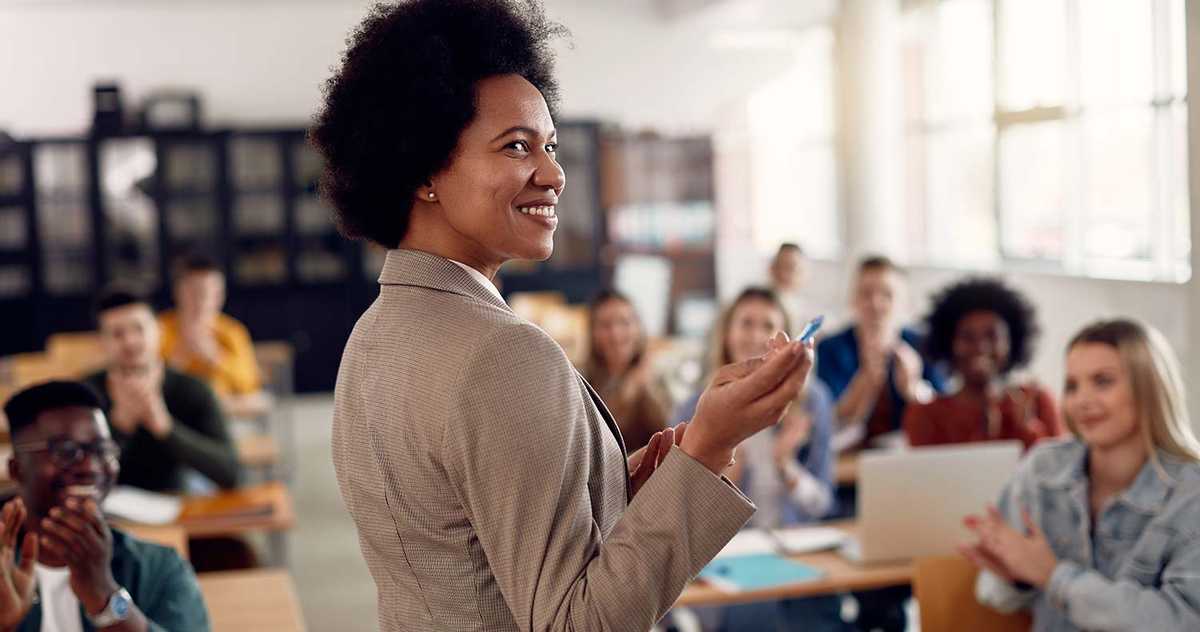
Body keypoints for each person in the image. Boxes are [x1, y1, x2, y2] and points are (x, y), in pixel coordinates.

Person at [311, 2, 815, 630]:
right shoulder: (501, 353)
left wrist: (630, 479)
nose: (553, 174)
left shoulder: (374, 333)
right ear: (422, 171)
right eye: (516, 147)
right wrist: (711, 448)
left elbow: (466, 539)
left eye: (550, 146)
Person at [963, 319, 1200, 631]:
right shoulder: (1042, 468)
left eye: (1102, 381)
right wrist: (1015, 579)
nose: (1082, 401)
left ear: (1149, 387)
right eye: (1072, 386)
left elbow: (1182, 622)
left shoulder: (1190, 495)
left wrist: (1053, 576)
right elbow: (992, 593)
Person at [673, 287, 844, 632]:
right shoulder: (694, 408)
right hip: (727, 561)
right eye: (745, 323)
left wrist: (787, 466)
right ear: (727, 333)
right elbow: (680, 516)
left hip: (797, 556)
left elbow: (823, 505)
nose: (754, 335)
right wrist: (726, 467)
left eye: (767, 325)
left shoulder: (814, 403)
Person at [0, 380, 209, 631]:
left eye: (102, 450)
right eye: (66, 451)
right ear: (17, 469)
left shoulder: (159, 567)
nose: (90, 467)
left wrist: (104, 596)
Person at [84, 287, 240, 492]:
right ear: (101, 342)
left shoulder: (194, 388)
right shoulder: (85, 395)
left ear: (159, 330)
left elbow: (230, 472)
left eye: (139, 329)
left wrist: (164, 426)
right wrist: (120, 423)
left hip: (179, 507)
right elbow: (78, 475)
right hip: (107, 510)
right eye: (117, 333)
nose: (130, 341)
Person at [903, 278, 1064, 451]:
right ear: (949, 343)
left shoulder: (1036, 401)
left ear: (1012, 343)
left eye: (992, 336)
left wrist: (1028, 427)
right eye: (967, 337)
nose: (980, 347)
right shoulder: (925, 415)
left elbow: (1058, 470)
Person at [817, 256, 947, 450]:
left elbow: (944, 414)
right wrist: (865, 380)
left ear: (904, 302)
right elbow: (828, 418)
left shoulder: (924, 345)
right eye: (866, 294)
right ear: (853, 299)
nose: (876, 304)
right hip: (847, 459)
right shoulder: (831, 347)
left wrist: (913, 388)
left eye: (887, 294)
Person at [158, 252, 264, 409]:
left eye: (211, 292)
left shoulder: (232, 332)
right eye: (195, 292)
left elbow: (250, 385)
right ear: (178, 291)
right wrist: (178, 360)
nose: (203, 300)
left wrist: (216, 358)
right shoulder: (158, 330)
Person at [582, 290, 669, 454]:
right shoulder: (583, 384)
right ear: (593, 333)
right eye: (605, 325)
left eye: (624, 322)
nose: (616, 334)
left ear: (638, 328)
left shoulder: (659, 378)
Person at [768, 243, 809, 336]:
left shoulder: (799, 307)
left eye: (791, 267)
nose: (784, 274)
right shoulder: (758, 304)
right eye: (779, 266)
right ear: (771, 268)